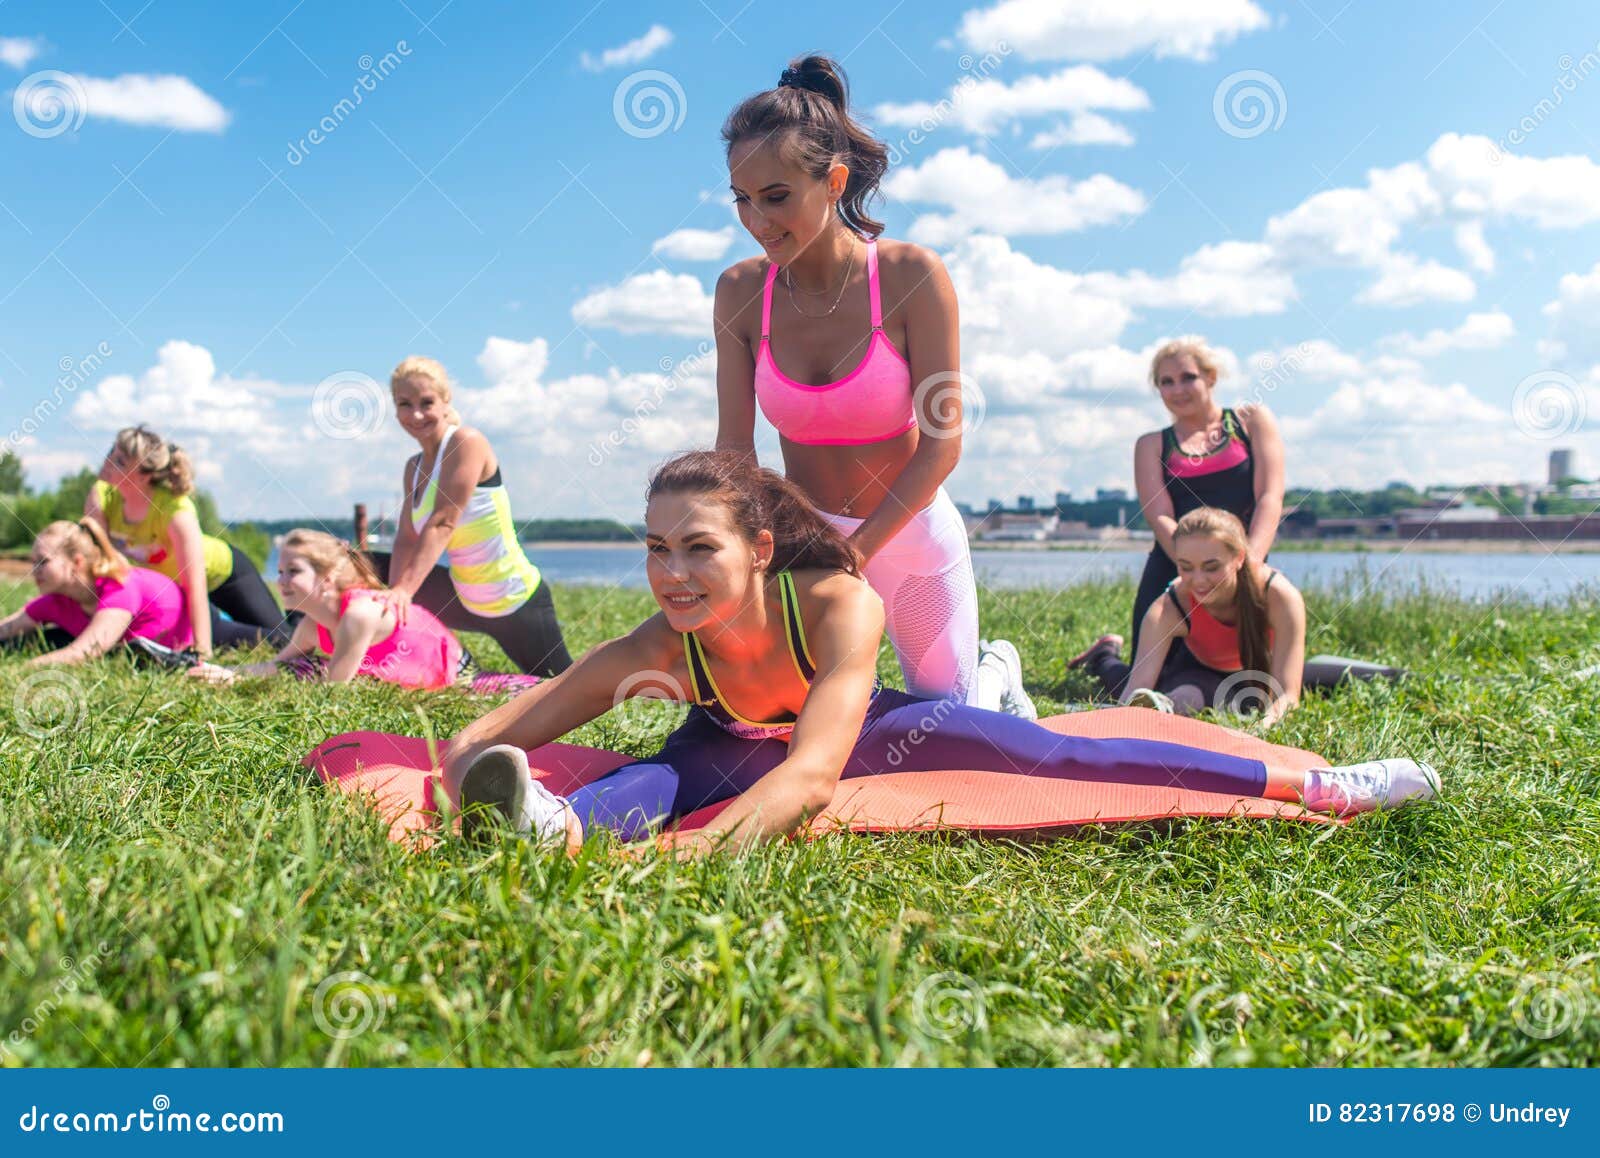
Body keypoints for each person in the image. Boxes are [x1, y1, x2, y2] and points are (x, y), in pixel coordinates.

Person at [440, 453, 1438, 855]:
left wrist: (692, 856)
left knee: (1060, 755)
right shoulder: (661, 640)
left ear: (758, 550)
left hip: (870, 736)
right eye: (656, 548)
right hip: (722, 743)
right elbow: (509, 724)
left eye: (698, 548)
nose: (672, 572)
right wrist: (467, 757)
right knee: (656, 777)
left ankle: (1314, 787)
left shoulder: (839, 605)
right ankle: (551, 828)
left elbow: (812, 779)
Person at [712, 54, 1032, 717]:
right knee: (783, 718)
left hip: (910, 534)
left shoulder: (912, 276)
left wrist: (855, 552)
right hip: (807, 540)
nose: (758, 220)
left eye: (777, 197)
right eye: (742, 198)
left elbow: (942, 447)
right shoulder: (740, 292)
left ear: (833, 182)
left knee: (948, 723)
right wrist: (748, 549)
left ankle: (996, 670)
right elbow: (735, 450)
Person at [1071, 508, 1405, 726]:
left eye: (1211, 567)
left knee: (1392, 678)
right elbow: (1136, 693)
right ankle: (1103, 656)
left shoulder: (1278, 595)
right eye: (1186, 567)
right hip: (1201, 673)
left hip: (1263, 671)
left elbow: (1287, 695)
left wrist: (1262, 729)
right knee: (1181, 698)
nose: (1198, 580)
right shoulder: (1170, 606)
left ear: (1240, 558)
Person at [365, 356, 573, 678]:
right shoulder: (414, 467)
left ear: (445, 401)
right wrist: (395, 597)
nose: (416, 414)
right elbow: (407, 537)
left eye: (426, 402)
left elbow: (443, 522)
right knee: (357, 563)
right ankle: (321, 648)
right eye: (405, 404)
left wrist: (404, 591)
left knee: (563, 688)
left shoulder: (466, 442)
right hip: (462, 599)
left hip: (513, 601)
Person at [1129, 338, 1284, 663]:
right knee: (1153, 678)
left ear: (1210, 377)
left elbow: (1269, 496)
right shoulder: (1151, 445)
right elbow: (1159, 516)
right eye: (1166, 382)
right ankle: (1103, 655)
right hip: (1173, 567)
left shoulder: (1251, 422)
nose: (1178, 389)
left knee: (1253, 673)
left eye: (1188, 377)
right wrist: (1191, 571)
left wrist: (1249, 565)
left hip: (1241, 563)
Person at [86, 425, 290, 658]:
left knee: (284, 640)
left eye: (120, 461)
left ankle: (306, 615)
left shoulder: (175, 510)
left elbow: (195, 584)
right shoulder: (101, 497)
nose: (107, 462)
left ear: (144, 475)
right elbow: (103, 564)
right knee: (224, 636)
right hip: (176, 589)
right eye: (111, 452)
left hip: (223, 573)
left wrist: (202, 651)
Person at [189, 529, 466, 689]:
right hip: (416, 677)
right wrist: (228, 674)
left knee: (307, 669)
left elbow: (335, 689)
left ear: (327, 578)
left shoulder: (359, 615)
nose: (281, 580)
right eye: (281, 571)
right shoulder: (312, 625)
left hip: (459, 671)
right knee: (298, 667)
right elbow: (277, 665)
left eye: (294, 571)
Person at [0, 519, 257, 665]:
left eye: (43, 562)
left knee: (270, 640)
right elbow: (9, 627)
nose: (34, 570)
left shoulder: (118, 589)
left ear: (76, 563)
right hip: (146, 651)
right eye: (33, 562)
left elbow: (85, 651)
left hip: (198, 628)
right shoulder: (56, 600)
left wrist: (23, 669)